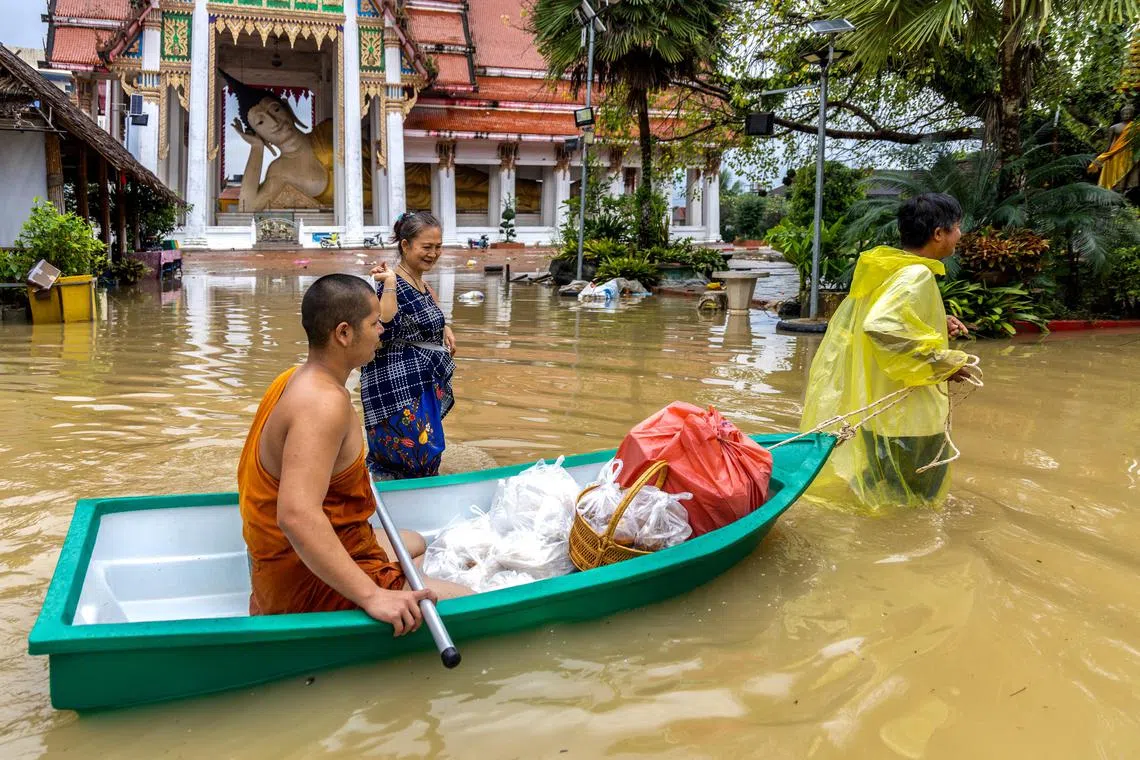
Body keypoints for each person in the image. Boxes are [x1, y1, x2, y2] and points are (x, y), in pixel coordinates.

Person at [238, 273, 470, 634]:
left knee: (415, 543)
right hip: (299, 586)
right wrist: (372, 596)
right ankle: (381, 589)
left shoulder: (293, 377)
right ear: (344, 334)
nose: (382, 331)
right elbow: (296, 516)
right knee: (472, 598)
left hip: (288, 558)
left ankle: (398, 578)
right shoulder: (322, 404)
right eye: (375, 323)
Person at [800, 193, 974, 509]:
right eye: (957, 227)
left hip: (879, 415)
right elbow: (881, 325)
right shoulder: (917, 274)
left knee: (880, 494)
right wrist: (943, 362)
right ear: (938, 234)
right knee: (918, 506)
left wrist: (935, 320)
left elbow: (887, 318)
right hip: (911, 421)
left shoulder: (889, 269)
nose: (960, 235)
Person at [360, 211, 456, 480]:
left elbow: (430, 313)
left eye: (438, 247)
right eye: (426, 247)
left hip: (420, 382)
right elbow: (384, 325)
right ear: (405, 245)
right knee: (412, 450)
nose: (434, 253)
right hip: (395, 386)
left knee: (427, 448)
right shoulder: (389, 282)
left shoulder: (421, 283)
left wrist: (444, 327)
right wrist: (389, 283)